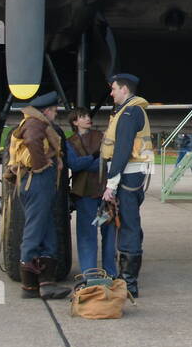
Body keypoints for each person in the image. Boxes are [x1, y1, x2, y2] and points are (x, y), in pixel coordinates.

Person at [101, 74, 154, 298]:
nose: (111, 93)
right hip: (135, 176)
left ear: (124, 89)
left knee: (129, 225)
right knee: (129, 224)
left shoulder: (130, 113)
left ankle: (129, 283)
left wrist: (111, 185)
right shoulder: (129, 111)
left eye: (113, 89)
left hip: (128, 177)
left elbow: (122, 150)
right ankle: (126, 278)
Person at [9, 91, 64, 298]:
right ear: (47, 111)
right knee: (34, 231)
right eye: (55, 110)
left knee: (46, 231)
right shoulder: (35, 123)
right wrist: (41, 165)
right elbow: (32, 141)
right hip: (37, 182)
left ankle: (46, 284)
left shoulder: (33, 121)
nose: (56, 114)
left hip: (39, 184)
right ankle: (29, 286)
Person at [63, 110, 116, 278]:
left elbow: (106, 160)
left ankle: (110, 273)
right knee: (87, 235)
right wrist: (93, 159)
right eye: (82, 117)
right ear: (75, 122)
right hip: (85, 193)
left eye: (88, 116)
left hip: (104, 192)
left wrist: (88, 162)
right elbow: (73, 164)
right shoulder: (69, 142)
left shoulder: (101, 136)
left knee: (109, 234)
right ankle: (90, 275)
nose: (88, 119)